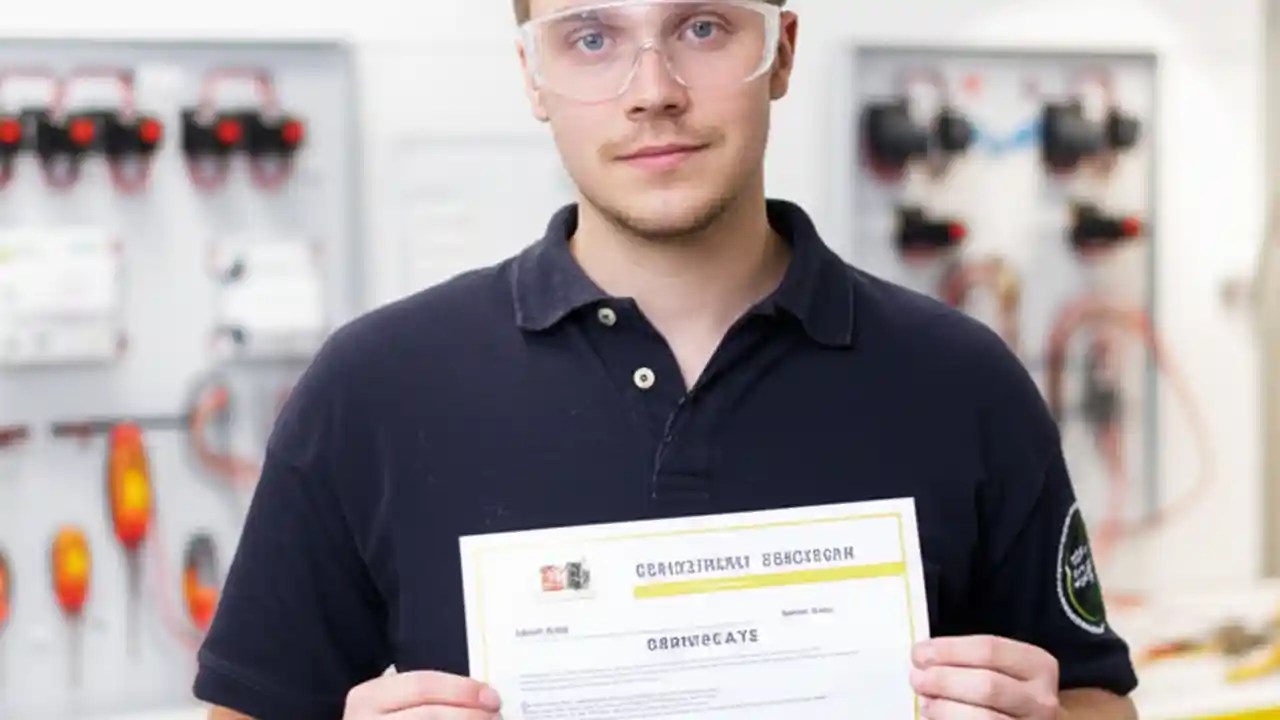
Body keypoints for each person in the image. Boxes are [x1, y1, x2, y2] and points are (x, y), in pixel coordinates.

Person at [197, 0, 1140, 718]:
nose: (652, 89)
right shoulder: (373, 389)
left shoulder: (962, 382)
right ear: (533, 77)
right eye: (591, 37)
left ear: (782, 52)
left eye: (700, 26)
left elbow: (1100, 696)